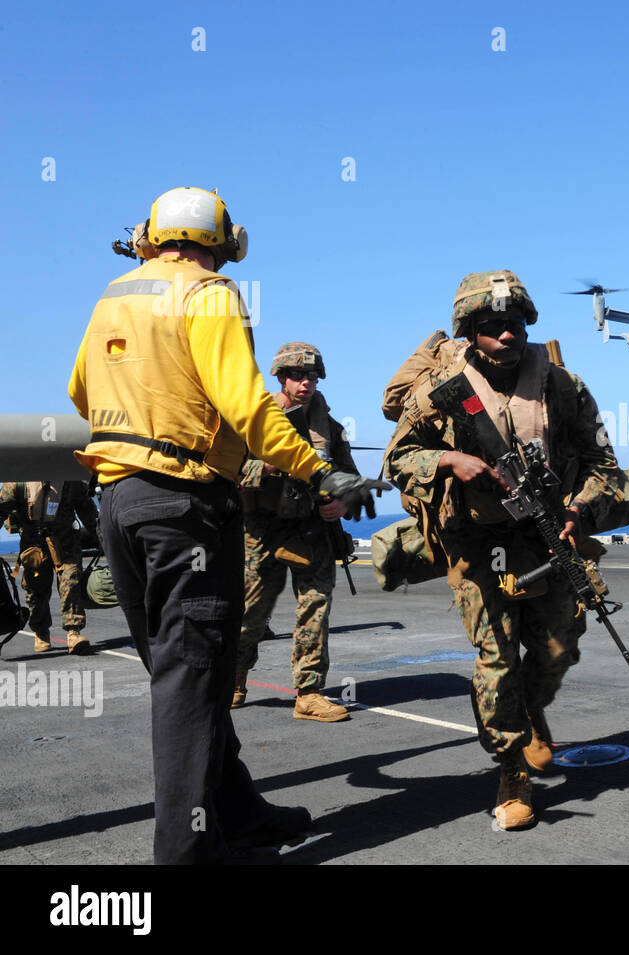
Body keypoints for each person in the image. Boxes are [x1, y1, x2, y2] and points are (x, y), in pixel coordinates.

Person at [68, 186, 384, 863]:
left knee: (190, 671)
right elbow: (245, 403)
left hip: (118, 500)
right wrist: (312, 468)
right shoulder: (208, 292)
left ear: (154, 233)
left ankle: (237, 811)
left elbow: (79, 390)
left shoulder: (113, 294)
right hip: (185, 506)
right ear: (221, 243)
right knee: (187, 684)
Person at [383, 270, 622, 830]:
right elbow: (397, 459)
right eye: (492, 327)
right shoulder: (442, 391)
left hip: (546, 536)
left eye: (515, 325)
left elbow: (602, 465)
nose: (507, 336)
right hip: (476, 540)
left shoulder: (561, 385)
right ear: (469, 331)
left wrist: (578, 508)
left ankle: (531, 711)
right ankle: (511, 769)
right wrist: (449, 461)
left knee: (560, 649)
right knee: (497, 662)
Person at [233, 342, 357, 721]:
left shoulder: (329, 429)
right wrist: (266, 467)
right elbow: (227, 474)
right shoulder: (256, 421)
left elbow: (348, 480)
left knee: (315, 610)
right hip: (262, 532)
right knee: (250, 614)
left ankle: (309, 693)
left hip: (312, 531)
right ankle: (234, 680)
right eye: (297, 376)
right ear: (281, 379)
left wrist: (341, 503)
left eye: (312, 376)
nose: (305, 383)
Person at [0, 480, 97, 654]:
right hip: (34, 543)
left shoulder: (69, 479)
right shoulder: (18, 482)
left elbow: (87, 510)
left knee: (71, 581)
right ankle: (40, 631)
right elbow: (1, 509)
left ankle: (73, 633)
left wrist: (103, 538)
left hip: (65, 538)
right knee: (35, 587)